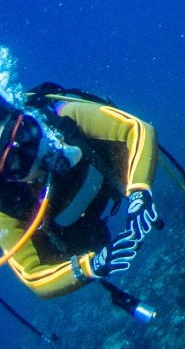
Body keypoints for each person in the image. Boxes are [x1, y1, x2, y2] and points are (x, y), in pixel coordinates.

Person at [0, 89, 159, 299]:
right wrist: (92, 266)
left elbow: (138, 129)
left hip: (112, 179)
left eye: (26, 133)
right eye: (15, 161)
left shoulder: (63, 118)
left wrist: (139, 190)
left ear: (28, 118)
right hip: (78, 235)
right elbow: (34, 277)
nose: (36, 152)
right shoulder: (5, 207)